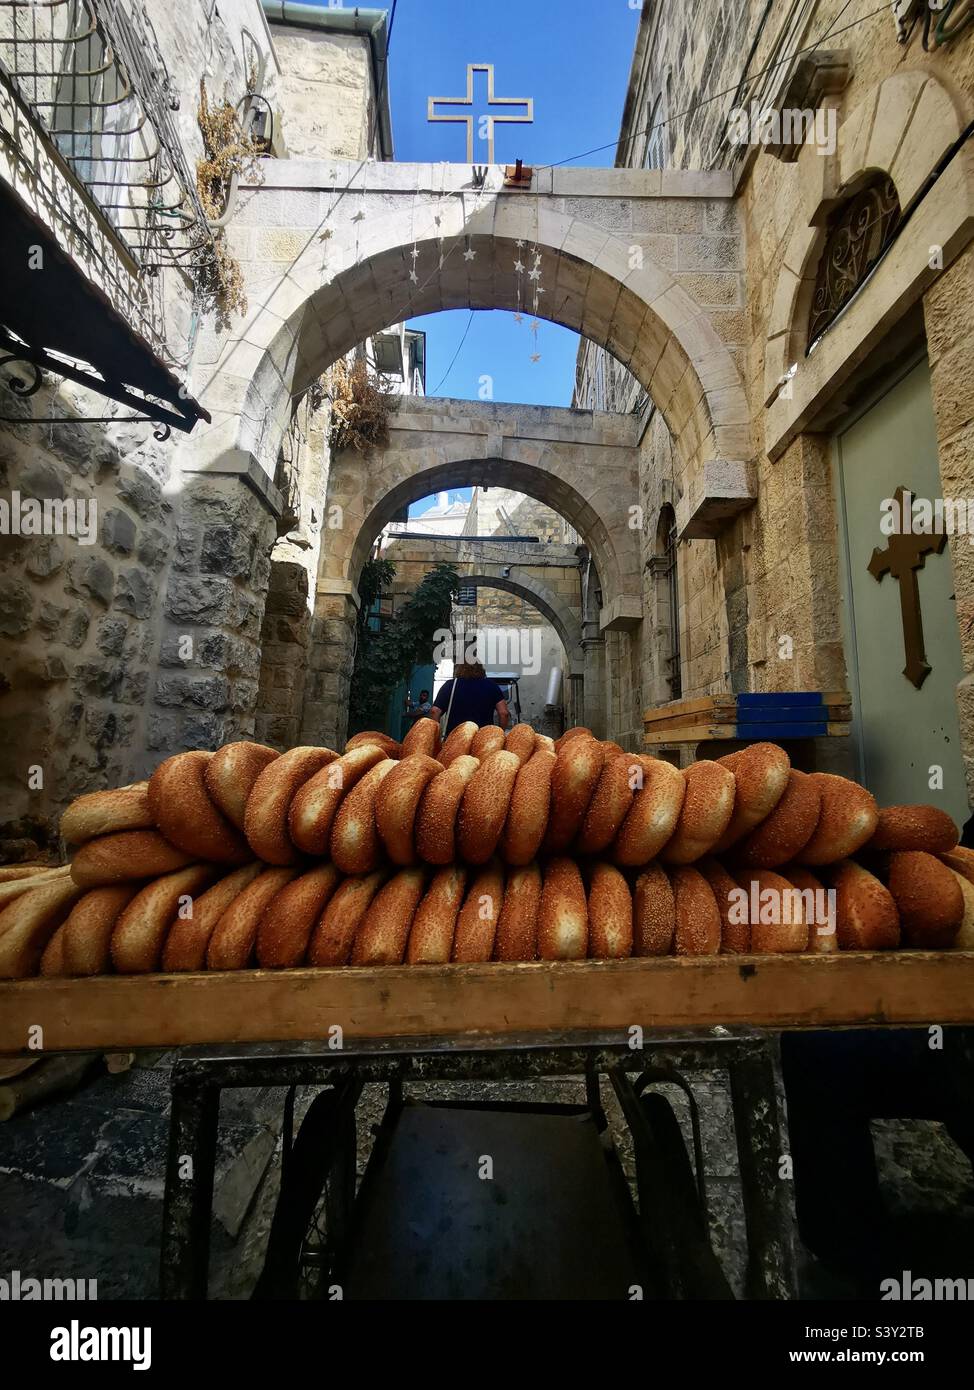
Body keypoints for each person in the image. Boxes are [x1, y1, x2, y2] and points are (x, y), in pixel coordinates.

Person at [431, 662, 510, 734]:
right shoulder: (491, 686)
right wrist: (500, 734)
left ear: (459, 669)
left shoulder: (450, 685)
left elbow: (435, 711)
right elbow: (504, 713)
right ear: (481, 669)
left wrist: (437, 736)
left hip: (455, 738)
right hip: (483, 738)